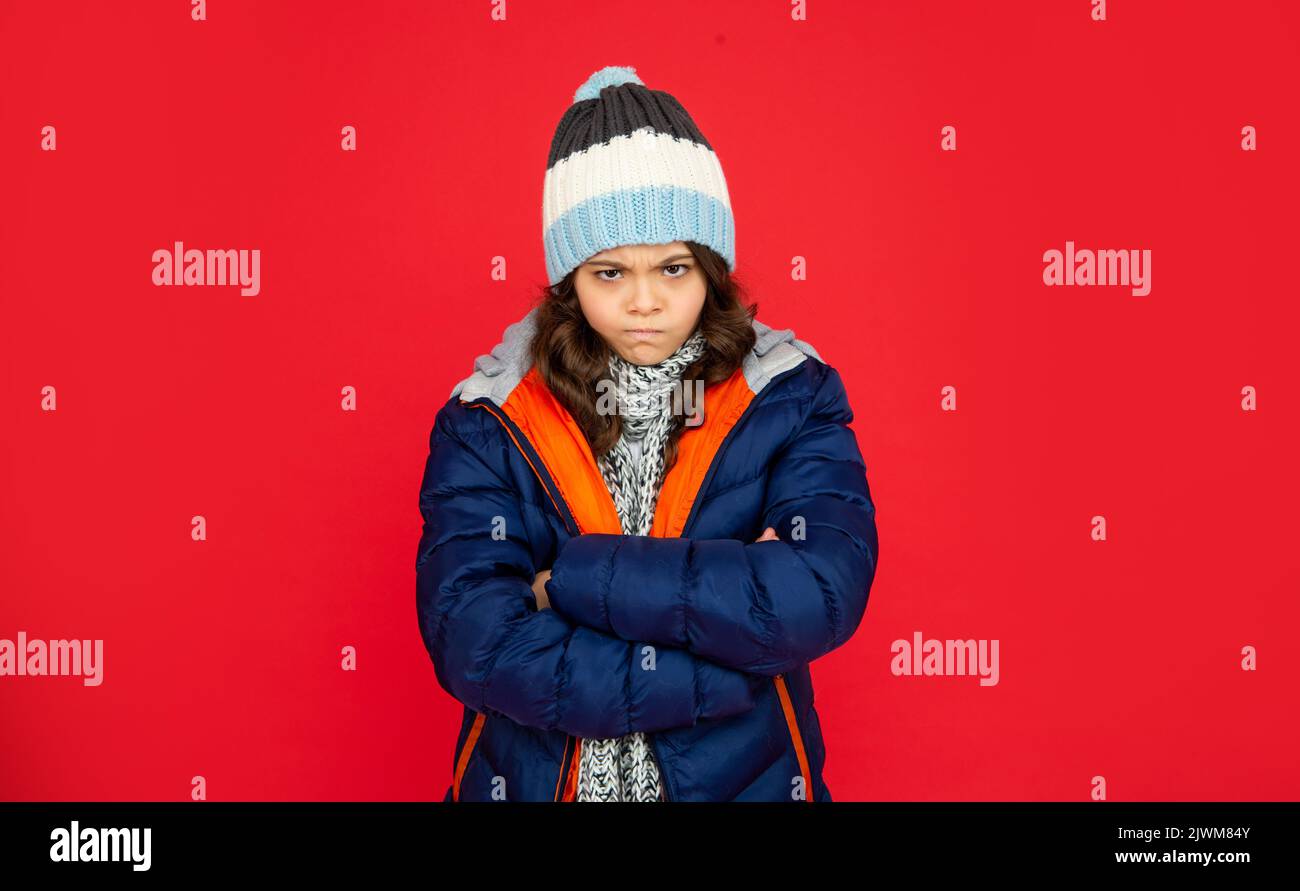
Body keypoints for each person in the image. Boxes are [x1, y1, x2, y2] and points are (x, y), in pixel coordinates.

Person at [416, 65, 879, 802]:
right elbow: (476, 640)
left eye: (673, 267)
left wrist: (564, 582)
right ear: (570, 278)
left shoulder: (791, 395)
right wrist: (714, 662)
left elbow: (819, 591)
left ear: (712, 268)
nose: (644, 303)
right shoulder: (488, 416)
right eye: (608, 273)